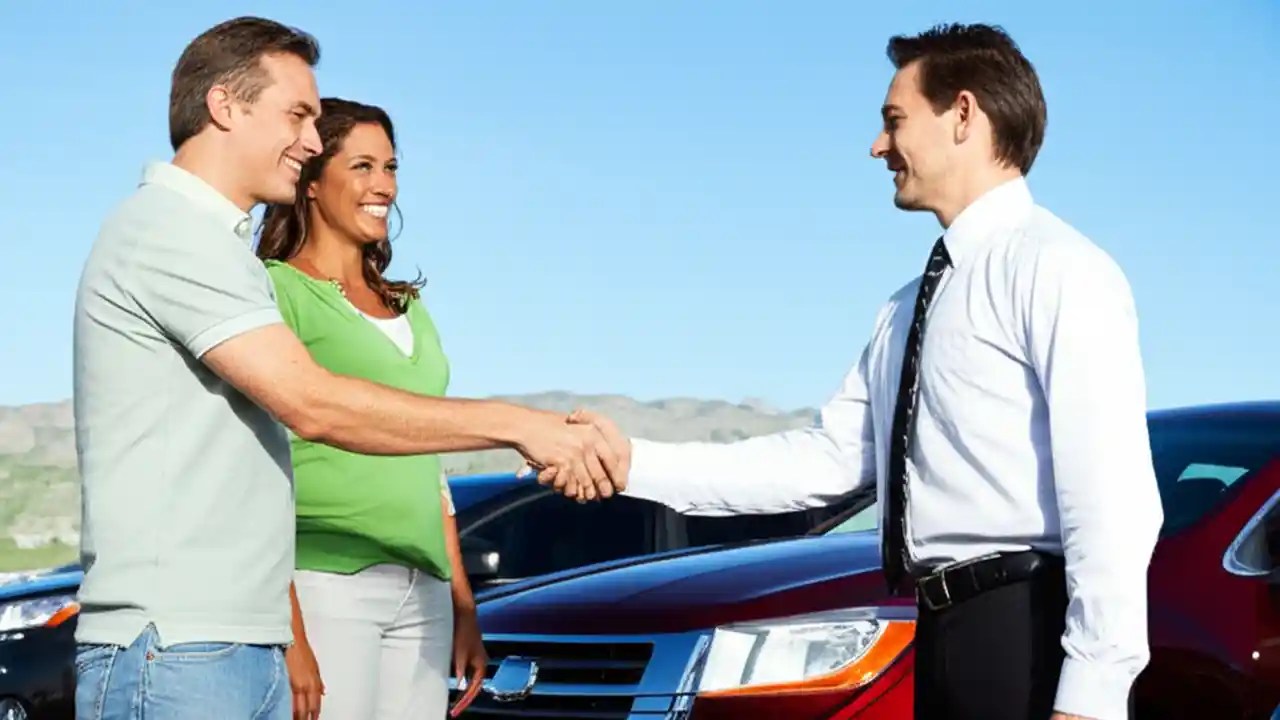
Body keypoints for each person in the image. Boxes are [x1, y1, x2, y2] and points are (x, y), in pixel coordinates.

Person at [557, 23, 1162, 720]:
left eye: (894, 120)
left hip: (1024, 634)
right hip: (937, 636)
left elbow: (1111, 501)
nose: (878, 145)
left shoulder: (1060, 270)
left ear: (963, 114)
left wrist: (1092, 694)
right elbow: (823, 462)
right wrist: (632, 464)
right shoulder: (905, 308)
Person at [71, 16, 623, 720]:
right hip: (175, 646)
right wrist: (520, 426)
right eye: (297, 114)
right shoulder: (169, 234)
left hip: (232, 641)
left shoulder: (218, 249)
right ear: (226, 106)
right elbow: (314, 405)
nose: (309, 140)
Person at [253, 97, 485, 719]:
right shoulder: (277, 291)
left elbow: (429, 464)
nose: (383, 185)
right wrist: (290, 629)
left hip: (425, 589)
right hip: (326, 582)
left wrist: (463, 601)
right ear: (310, 180)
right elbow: (254, 464)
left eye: (390, 167)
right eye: (362, 167)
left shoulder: (410, 307)